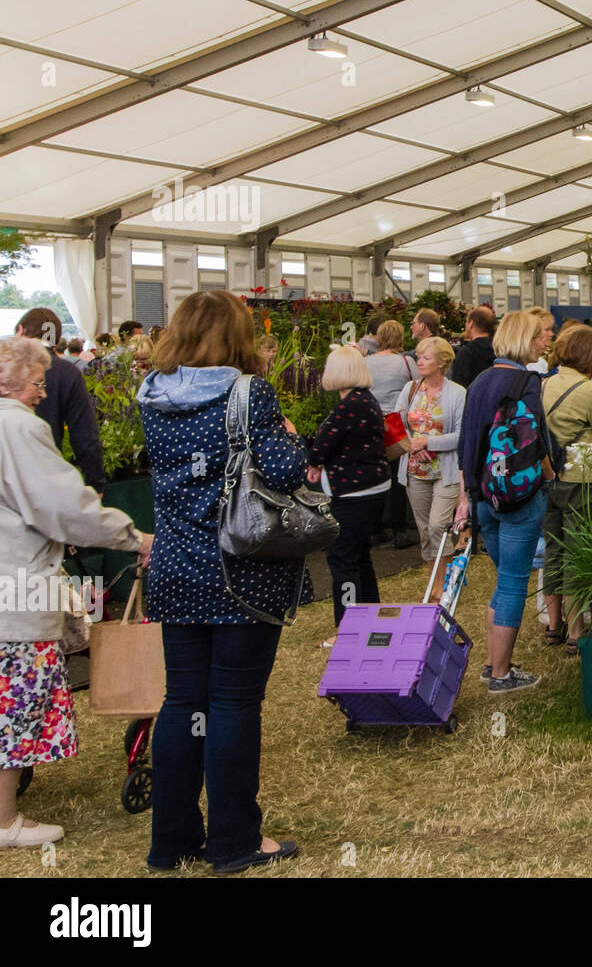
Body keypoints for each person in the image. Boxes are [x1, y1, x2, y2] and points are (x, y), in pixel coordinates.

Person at [137, 290, 307, 874]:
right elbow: (285, 473)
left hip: (177, 567)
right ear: (236, 335)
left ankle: (173, 839)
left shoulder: (150, 395)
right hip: (240, 571)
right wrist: (288, 432)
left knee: (183, 703)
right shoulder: (248, 392)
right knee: (233, 704)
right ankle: (235, 840)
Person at [0, 337, 152, 848]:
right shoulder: (17, 426)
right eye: (38, 383)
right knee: (15, 705)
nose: (43, 393)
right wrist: (130, 536)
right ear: (13, 382)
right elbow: (62, 506)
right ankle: (3, 821)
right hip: (15, 590)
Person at [455, 310, 554, 694]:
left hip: (484, 495)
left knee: (503, 578)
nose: (544, 343)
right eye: (539, 338)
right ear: (525, 341)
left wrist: (469, 493)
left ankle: (492, 662)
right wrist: (551, 477)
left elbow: (468, 442)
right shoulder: (525, 381)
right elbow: (537, 442)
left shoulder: (479, 381)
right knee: (514, 582)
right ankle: (501, 674)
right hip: (519, 496)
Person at [540, 325, 592, 654]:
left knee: (553, 550)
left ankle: (553, 625)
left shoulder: (545, 382)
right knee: (578, 551)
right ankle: (576, 631)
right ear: (587, 352)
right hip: (582, 478)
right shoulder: (590, 390)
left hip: (550, 477)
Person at [307, 347, 390, 639]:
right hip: (371, 487)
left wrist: (311, 458)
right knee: (358, 556)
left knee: (342, 559)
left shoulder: (349, 406)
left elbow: (322, 444)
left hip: (354, 493)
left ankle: (348, 629)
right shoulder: (365, 400)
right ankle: (369, 616)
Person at [396, 336, 467, 592]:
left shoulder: (458, 393)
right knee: (425, 529)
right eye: (418, 357)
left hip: (444, 471)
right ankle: (434, 580)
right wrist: (414, 444)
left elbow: (461, 435)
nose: (419, 362)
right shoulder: (411, 389)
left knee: (439, 525)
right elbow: (396, 426)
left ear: (442, 362)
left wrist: (428, 442)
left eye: (426, 358)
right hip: (414, 471)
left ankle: (441, 586)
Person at [14, 308, 106, 494]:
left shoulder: (6, 367)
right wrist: (96, 483)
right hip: (44, 479)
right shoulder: (67, 372)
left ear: (21, 331)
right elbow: (84, 436)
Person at [365, 320, 418, 551]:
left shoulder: (365, 362)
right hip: (398, 424)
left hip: (372, 422)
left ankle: (375, 529)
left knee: (374, 475)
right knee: (398, 478)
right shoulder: (407, 362)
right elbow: (418, 387)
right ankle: (399, 531)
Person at [449, 306, 498, 390]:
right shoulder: (500, 349)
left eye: (466, 322)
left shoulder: (466, 353)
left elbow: (459, 387)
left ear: (471, 323)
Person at [525, 306, 556, 375]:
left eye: (551, 329)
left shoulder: (539, 360)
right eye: (547, 330)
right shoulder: (534, 364)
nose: (551, 334)